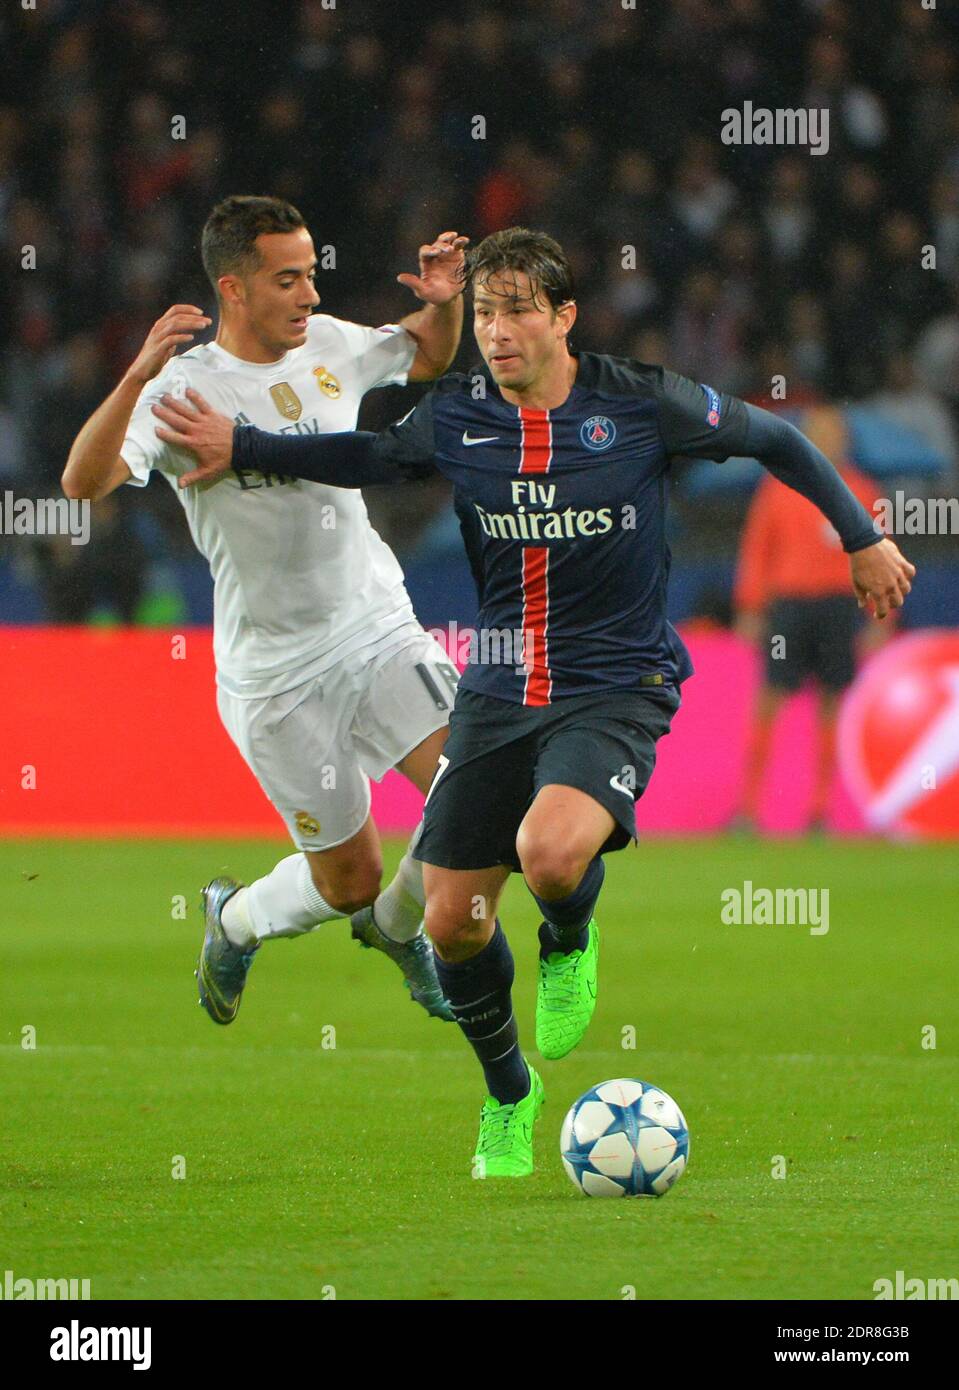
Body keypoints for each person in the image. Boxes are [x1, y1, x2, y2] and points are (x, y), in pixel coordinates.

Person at [151, 226, 915, 1176]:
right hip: (499, 690)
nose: (497, 331)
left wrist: (860, 539)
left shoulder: (638, 401)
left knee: (549, 856)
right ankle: (509, 1097)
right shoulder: (460, 416)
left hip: (616, 683)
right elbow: (371, 457)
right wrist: (247, 444)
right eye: (483, 313)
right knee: (449, 922)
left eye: (517, 310)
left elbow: (775, 439)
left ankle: (567, 935)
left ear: (562, 317)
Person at [63, 195, 468, 1026]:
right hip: (276, 675)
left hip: (375, 625)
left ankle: (398, 930)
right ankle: (237, 919)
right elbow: (81, 484)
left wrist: (445, 300)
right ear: (233, 289)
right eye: (287, 280)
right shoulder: (181, 391)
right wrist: (136, 375)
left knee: (479, 786)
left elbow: (427, 354)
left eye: (311, 273)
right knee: (346, 879)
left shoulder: (328, 346)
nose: (310, 295)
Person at [733, 406, 889, 833]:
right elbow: (756, 549)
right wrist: (750, 607)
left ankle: (820, 810)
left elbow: (882, 560)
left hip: (840, 606)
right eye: (819, 432)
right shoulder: (780, 487)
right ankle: (748, 810)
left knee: (833, 705)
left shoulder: (862, 490)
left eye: (834, 433)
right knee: (768, 701)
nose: (828, 440)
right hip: (790, 605)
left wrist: (881, 617)